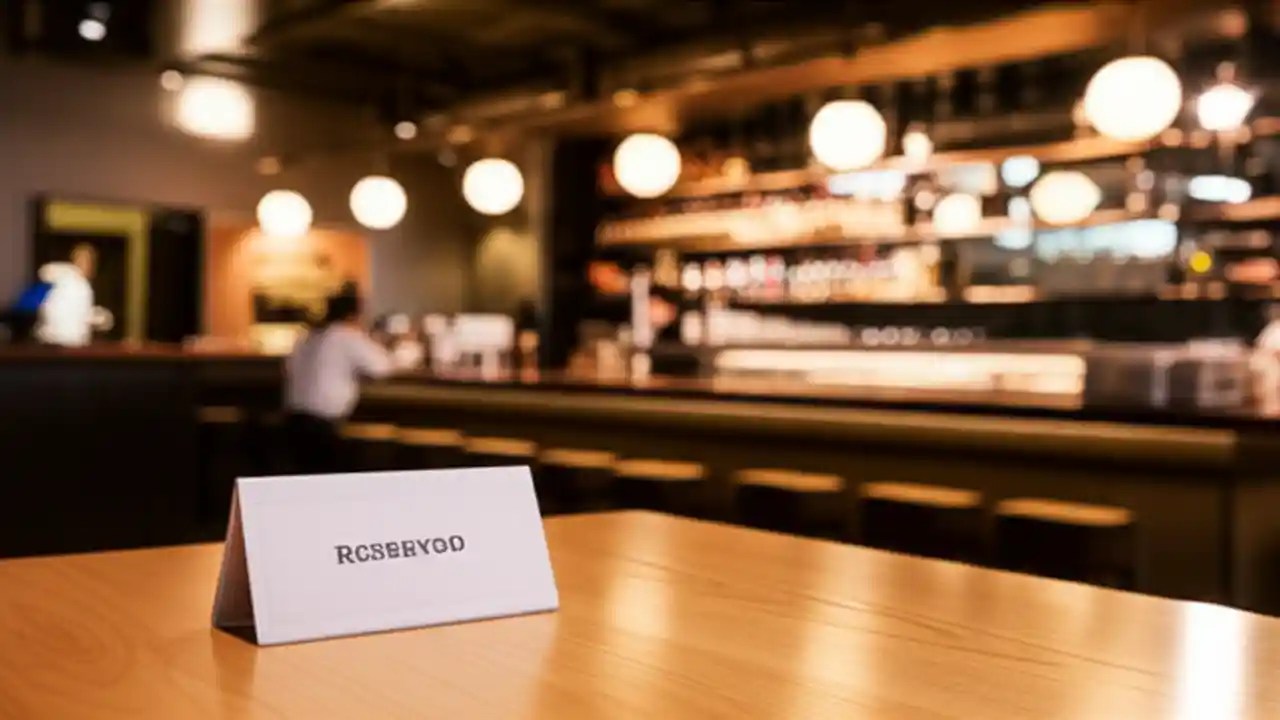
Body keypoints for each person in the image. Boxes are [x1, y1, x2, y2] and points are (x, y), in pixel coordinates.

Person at [284, 291, 393, 473]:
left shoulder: (307, 336)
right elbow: (383, 367)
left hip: (292, 423)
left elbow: (288, 367)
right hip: (324, 427)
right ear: (354, 315)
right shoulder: (345, 336)